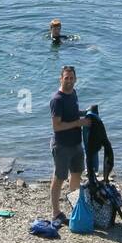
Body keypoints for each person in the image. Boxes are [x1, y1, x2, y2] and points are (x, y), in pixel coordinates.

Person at [49, 65, 85, 220]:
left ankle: (75, 207)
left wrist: (87, 114)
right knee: (59, 177)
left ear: (75, 79)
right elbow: (57, 126)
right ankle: (56, 212)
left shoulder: (74, 93)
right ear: (61, 79)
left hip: (77, 143)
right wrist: (79, 123)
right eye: (66, 78)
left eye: (71, 78)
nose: (69, 81)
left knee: (76, 174)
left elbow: (73, 114)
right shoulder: (57, 99)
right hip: (62, 145)